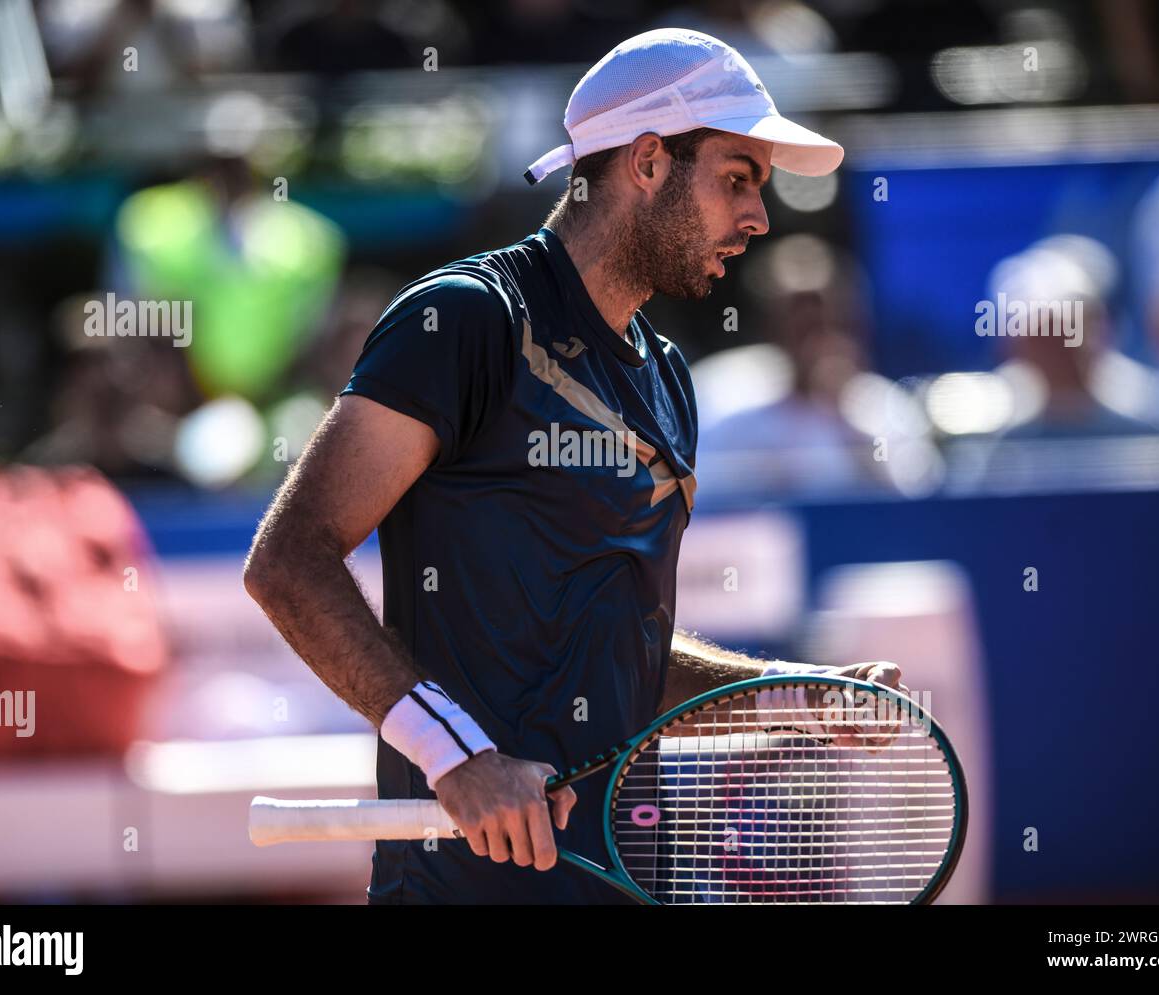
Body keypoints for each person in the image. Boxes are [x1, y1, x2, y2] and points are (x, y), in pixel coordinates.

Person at [244, 27, 902, 905]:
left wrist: (796, 695)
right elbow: (289, 562)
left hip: (628, 882)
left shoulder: (667, 378)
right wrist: (459, 758)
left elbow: (618, 655)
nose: (757, 218)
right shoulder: (466, 321)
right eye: (736, 180)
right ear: (646, 164)